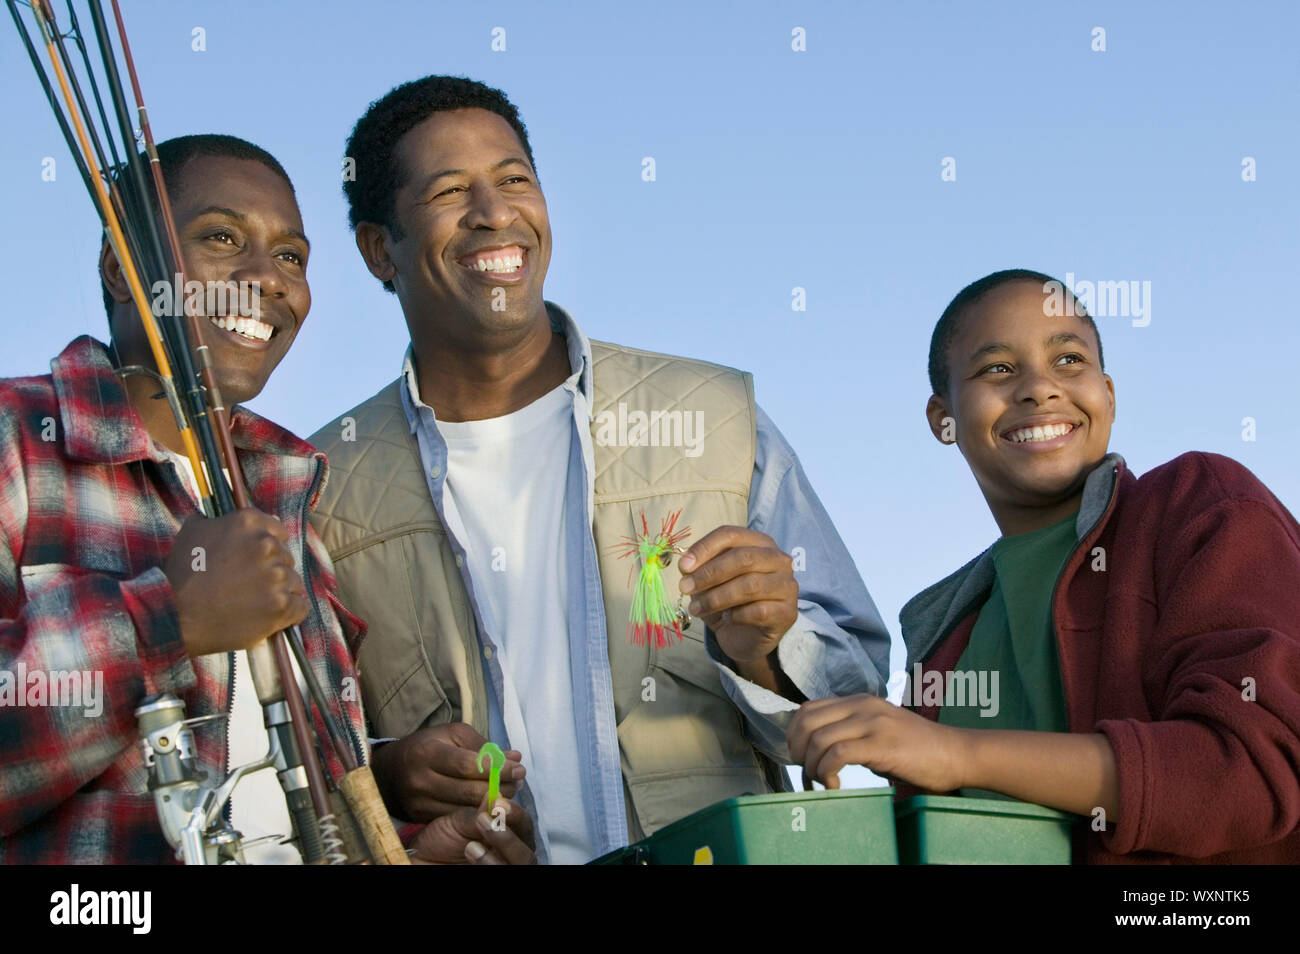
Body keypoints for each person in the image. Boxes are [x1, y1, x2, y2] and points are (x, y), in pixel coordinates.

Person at [309, 75, 890, 863]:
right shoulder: (319, 482)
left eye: (515, 179)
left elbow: (857, 703)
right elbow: (300, 765)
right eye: (450, 191)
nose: (495, 211)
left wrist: (770, 649)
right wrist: (387, 771)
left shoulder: (712, 416)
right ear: (381, 249)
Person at [0, 134, 532, 865]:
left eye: (291, 257)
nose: (270, 279)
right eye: (222, 237)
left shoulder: (285, 492)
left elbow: (286, 808)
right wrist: (170, 620)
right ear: (122, 268)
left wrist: (411, 849)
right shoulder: (17, 442)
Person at [788, 268, 1300, 863]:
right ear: (942, 418)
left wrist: (959, 752)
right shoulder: (946, 635)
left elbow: (1254, 771)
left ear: (1108, 394)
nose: (1039, 388)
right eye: (997, 369)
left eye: (1069, 361)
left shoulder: (1197, 504)